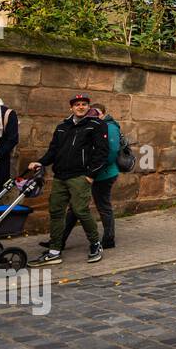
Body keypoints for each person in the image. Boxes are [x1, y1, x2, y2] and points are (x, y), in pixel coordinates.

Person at [28, 94, 109, 267]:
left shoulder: (96, 125)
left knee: (80, 211)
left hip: (80, 176)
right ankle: (55, 251)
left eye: (84, 104)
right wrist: (40, 162)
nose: (81, 107)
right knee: (56, 211)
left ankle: (95, 244)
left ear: (88, 107)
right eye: (77, 104)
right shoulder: (62, 126)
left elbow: (102, 153)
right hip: (60, 176)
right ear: (71, 107)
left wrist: (90, 175)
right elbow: (53, 151)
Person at [46, 103, 120, 251]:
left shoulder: (109, 127)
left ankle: (108, 239)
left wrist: (92, 173)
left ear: (103, 114)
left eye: (95, 112)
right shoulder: (86, 125)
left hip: (103, 174)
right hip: (84, 174)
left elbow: (110, 153)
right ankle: (59, 240)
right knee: (75, 208)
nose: (92, 114)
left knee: (103, 206)